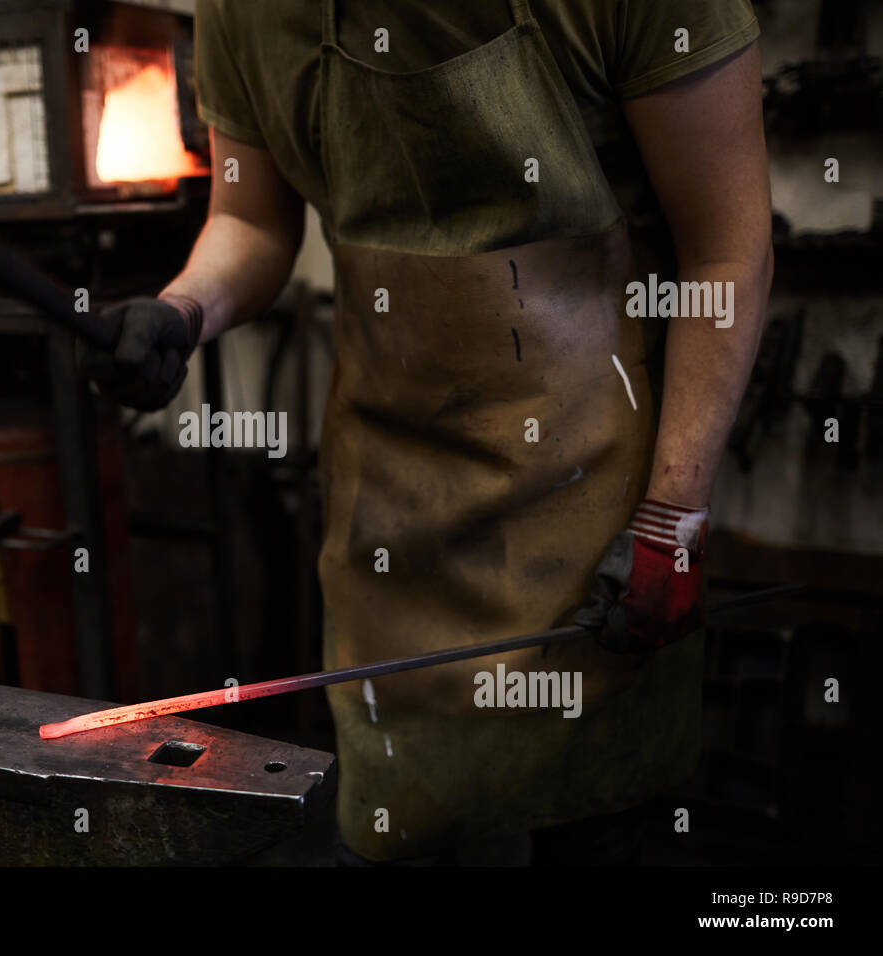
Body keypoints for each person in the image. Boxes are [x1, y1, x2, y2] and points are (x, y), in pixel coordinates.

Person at [87, 0, 772, 865]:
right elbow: (250, 221)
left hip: (598, 518)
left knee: (600, 825)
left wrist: (675, 515)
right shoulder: (242, 11)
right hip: (392, 514)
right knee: (401, 830)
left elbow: (726, 246)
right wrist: (183, 309)